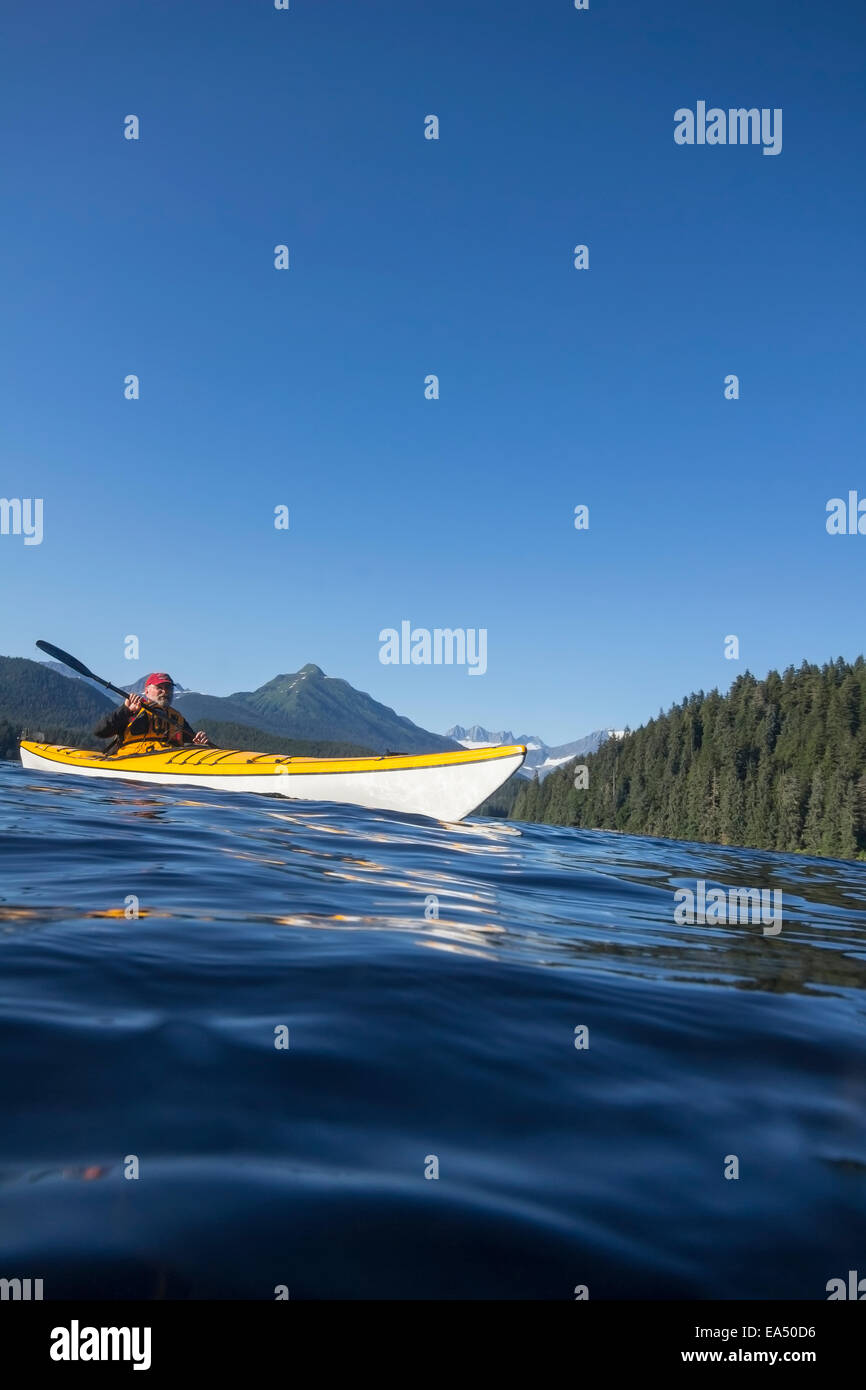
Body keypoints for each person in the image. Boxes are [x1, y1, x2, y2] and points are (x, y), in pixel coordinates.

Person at [94, 673, 214, 752]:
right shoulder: (133, 709)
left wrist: (200, 742)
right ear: (146, 691)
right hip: (131, 760)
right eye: (159, 688)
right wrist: (126, 710)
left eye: (168, 688)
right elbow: (100, 732)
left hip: (167, 761)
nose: (165, 692)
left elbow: (191, 742)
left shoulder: (177, 718)